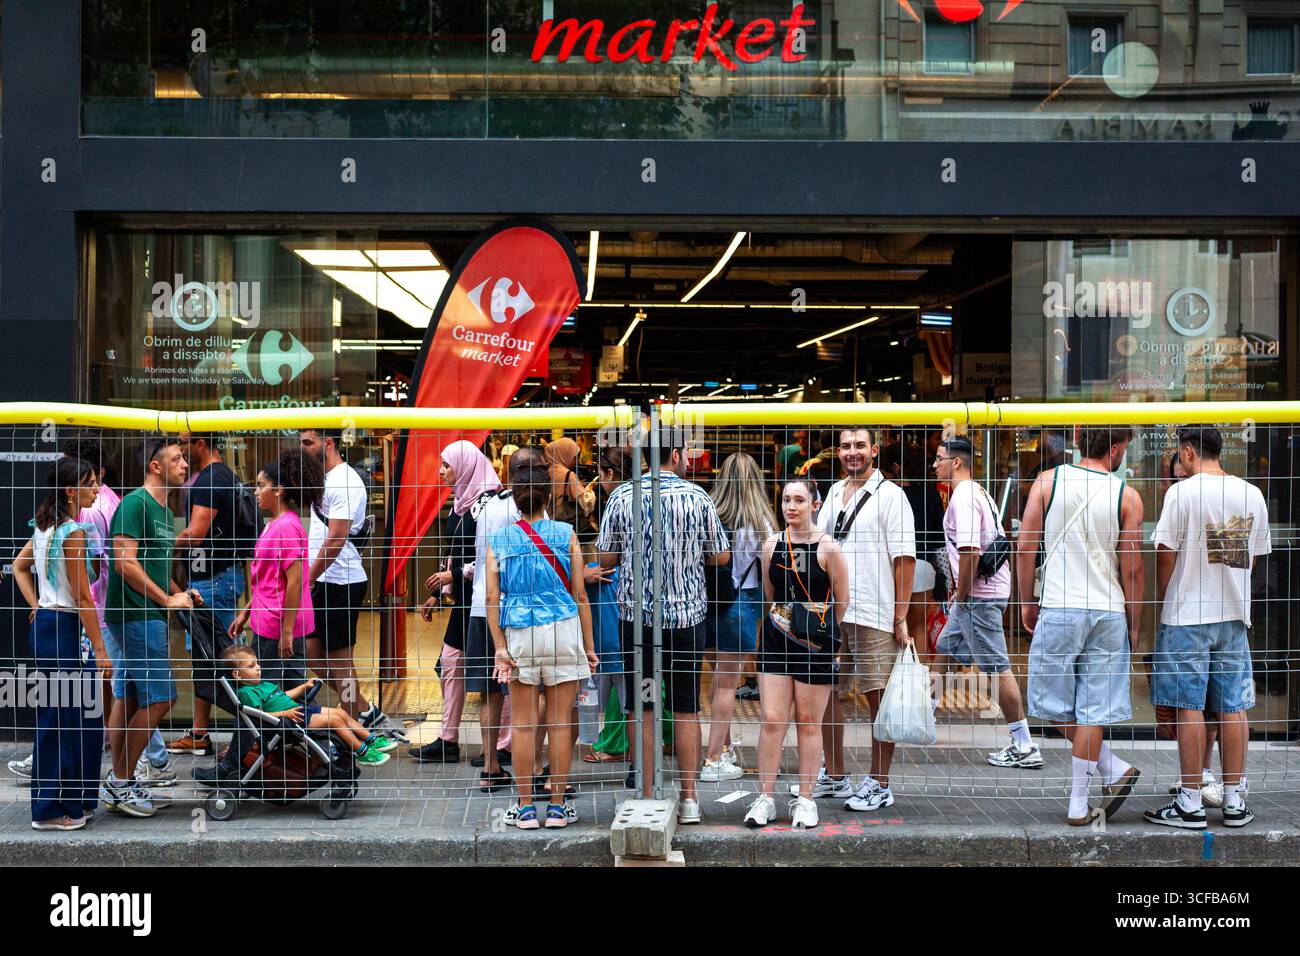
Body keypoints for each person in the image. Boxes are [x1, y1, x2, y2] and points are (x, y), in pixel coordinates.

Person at [596, 441, 730, 825]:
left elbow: (606, 558)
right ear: (676, 456)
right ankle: (688, 798)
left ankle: (649, 794)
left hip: (638, 623)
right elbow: (720, 555)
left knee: (646, 705)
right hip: (687, 620)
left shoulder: (622, 496)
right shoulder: (697, 497)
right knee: (686, 708)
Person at [1145, 426, 1270, 829]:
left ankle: (1190, 801)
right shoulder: (1250, 493)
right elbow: (1247, 557)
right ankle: (1234, 801)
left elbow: (1166, 553)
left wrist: (1165, 597)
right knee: (1233, 708)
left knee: (1189, 708)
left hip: (1186, 614)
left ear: (1187, 452)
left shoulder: (1181, 492)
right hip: (1232, 613)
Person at [1019, 426, 1145, 825]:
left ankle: (1107, 771)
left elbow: (1024, 545)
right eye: (1125, 446)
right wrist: (1135, 621)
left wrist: (1026, 600)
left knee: (1047, 699)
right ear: (1115, 447)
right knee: (1094, 710)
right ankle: (1086, 793)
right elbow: (1134, 568)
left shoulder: (1047, 481)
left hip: (1059, 604)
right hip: (1108, 609)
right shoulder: (1127, 495)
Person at [806, 427, 915, 812]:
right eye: (847, 446)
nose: (853, 453)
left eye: (860, 446)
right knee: (824, 693)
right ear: (838, 452)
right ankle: (835, 775)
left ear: (875, 450)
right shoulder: (834, 493)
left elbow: (904, 561)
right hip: (834, 611)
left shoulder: (893, 496)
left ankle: (879, 783)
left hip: (875, 611)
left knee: (877, 699)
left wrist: (900, 616)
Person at [487, 464, 598, 828]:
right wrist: (590, 645)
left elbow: (492, 597)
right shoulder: (565, 533)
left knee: (523, 724)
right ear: (548, 498)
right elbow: (580, 593)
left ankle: (523, 807)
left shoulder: (499, 540)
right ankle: (557, 806)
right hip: (564, 629)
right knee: (560, 723)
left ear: (516, 503)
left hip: (519, 632)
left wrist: (500, 646)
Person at [12, 458, 111, 830]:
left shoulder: (45, 528)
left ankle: (76, 801)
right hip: (65, 626)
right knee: (62, 717)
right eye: (89, 484)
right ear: (71, 490)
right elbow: (84, 598)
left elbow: (19, 566)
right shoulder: (71, 532)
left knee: (76, 717)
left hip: (55, 625)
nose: (96, 489)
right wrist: (101, 649)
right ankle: (51, 810)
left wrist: (37, 603)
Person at [744, 478, 849, 830]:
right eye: (787, 499)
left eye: (800, 500)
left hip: (816, 643)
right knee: (772, 718)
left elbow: (842, 599)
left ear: (814, 505)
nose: (791, 506)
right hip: (776, 638)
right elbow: (771, 593)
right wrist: (788, 621)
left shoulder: (828, 547)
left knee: (808, 720)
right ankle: (765, 797)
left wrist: (821, 631)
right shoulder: (772, 544)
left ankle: (805, 799)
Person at [102, 437, 197, 818]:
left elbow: (151, 566)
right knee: (161, 698)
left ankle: (120, 781)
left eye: (185, 459)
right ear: (155, 467)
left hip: (147, 612)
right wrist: (166, 600)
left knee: (128, 697)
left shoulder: (163, 508)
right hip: (136, 614)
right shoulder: (134, 504)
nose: (185, 465)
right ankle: (122, 782)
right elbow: (124, 563)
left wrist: (181, 592)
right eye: (177, 459)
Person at [931, 437, 1041, 768]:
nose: (934, 465)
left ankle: (1024, 745)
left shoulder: (963, 497)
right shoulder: (978, 492)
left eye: (939, 459)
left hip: (978, 597)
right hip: (980, 595)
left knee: (996, 668)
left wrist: (960, 595)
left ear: (957, 463)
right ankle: (922, 718)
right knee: (946, 648)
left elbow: (968, 552)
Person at [410, 440, 513, 787]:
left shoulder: (492, 504)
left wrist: (453, 576)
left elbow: (492, 554)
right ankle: (448, 739)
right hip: (465, 600)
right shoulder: (461, 504)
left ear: (465, 466)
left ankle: (503, 744)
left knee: (498, 673)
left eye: (446, 466)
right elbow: (455, 553)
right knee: (451, 663)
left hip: (487, 600)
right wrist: (441, 593)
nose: (441, 472)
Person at [300, 429, 403, 739]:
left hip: (340, 581)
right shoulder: (326, 479)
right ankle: (364, 710)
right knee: (312, 653)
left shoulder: (344, 480)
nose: (303, 449)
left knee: (340, 660)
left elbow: (336, 538)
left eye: (308, 443)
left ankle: (354, 728)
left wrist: (309, 577)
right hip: (323, 579)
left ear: (328, 444)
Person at [702, 452, 777, 782]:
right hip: (742, 604)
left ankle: (724, 747)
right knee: (728, 685)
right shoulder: (761, 525)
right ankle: (713, 758)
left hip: (708, 604)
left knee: (717, 680)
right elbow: (768, 574)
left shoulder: (712, 516)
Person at [170, 432, 246, 756]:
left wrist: (164, 547)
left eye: (183, 441)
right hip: (219, 578)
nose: (179, 446)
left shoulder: (210, 479)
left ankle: (246, 734)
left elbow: (197, 533)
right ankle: (201, 733)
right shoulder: (225, 475)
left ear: (201, 444)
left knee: (220, 659)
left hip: (213, 582)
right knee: (208, 658)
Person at [229, 448, 322, 691]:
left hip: (277, 626)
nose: (256, 491)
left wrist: (287, 631)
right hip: (269, 621)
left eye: (261, 485)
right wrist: (246, 612)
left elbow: (295, 582)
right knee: (283, 696)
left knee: (268, 697)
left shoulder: (286, 528)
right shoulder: (274, 524)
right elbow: (268, 579)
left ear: (278, 490)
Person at [220, 646, 394, 766]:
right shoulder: (247, 692)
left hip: (298, 711)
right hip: (290, 720)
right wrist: (285, 714)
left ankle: (372, 740)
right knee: (335, 721)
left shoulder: (260, 684)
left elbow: (283, 695)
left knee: (341, 713)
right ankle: (363, 753)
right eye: (252, 666)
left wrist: (303, 687)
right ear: (237, 675)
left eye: (257, 663)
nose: (258, 668)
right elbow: (258, 716)